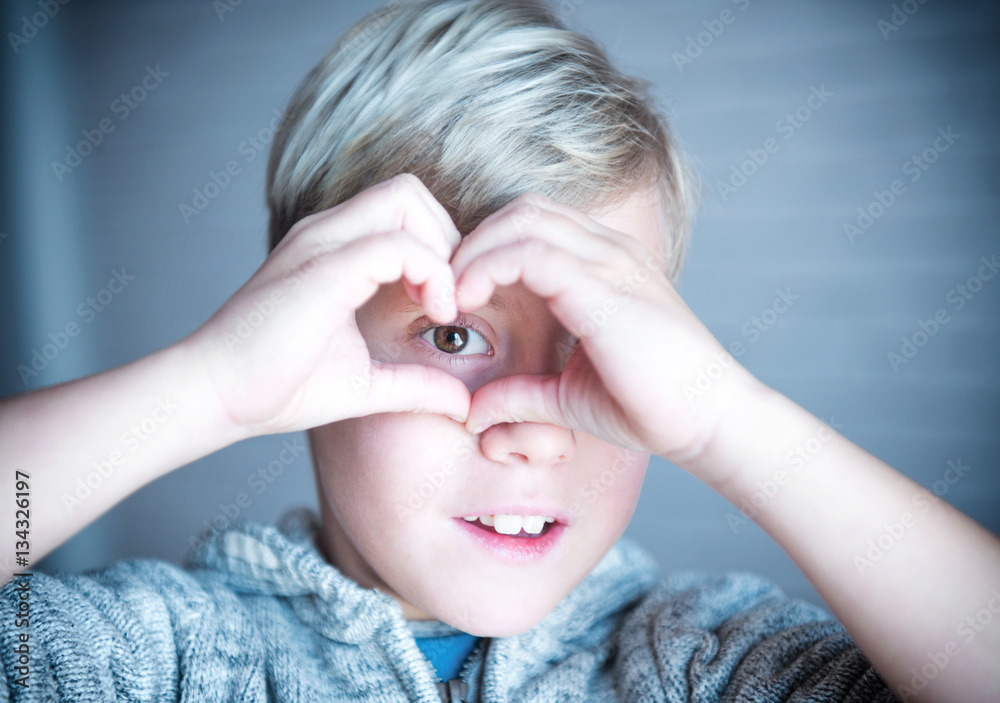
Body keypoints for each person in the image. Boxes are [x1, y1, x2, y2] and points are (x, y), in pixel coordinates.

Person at [1, 0, 998, 701]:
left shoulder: (701, 660)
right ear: (307, 336)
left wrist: (727, 419)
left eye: (590, 349)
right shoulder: (163, 660)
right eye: (451, 335)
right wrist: (207, 387)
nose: (530, 430)